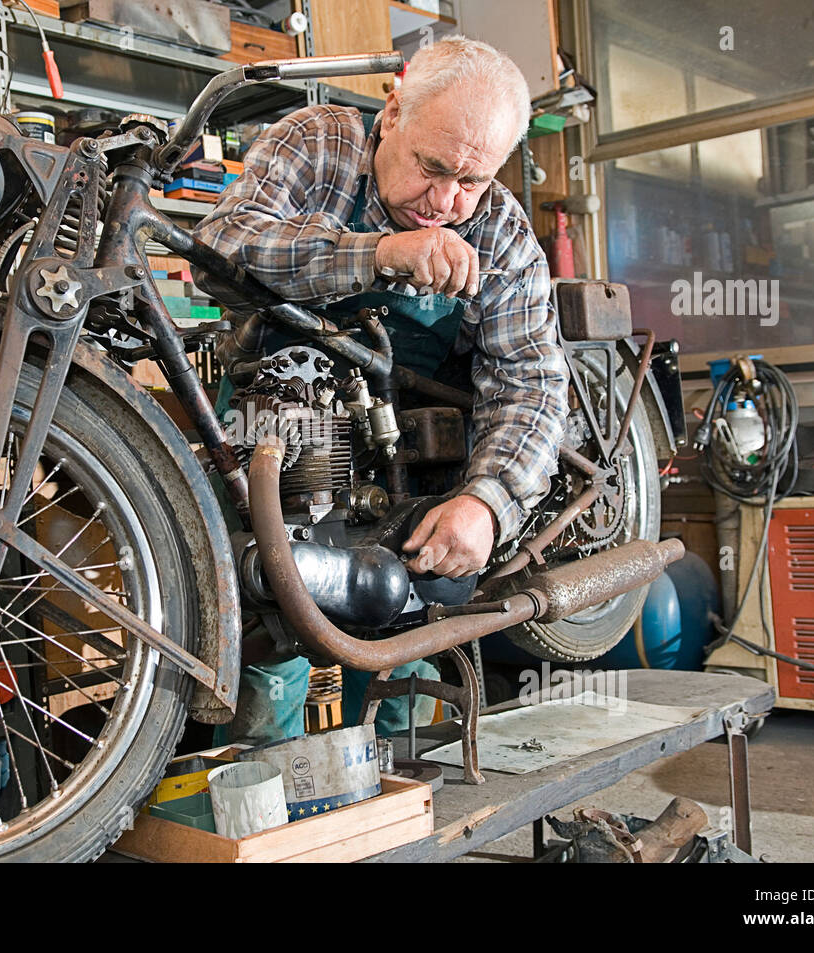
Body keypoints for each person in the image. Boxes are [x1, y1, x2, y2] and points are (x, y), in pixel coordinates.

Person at [192, 36, 570, 745]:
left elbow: (534, 381)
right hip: (274, 441)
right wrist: (374, 253)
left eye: (471, 181)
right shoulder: (317, 142)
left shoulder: (499, 232)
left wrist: (485, 504)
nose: (446, 201)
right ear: (393, 113)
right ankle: (259, 819)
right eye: (432, 168)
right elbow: (222, 249)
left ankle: (393, 807)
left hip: (396, 475)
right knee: (263, 638)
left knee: (401, 648)